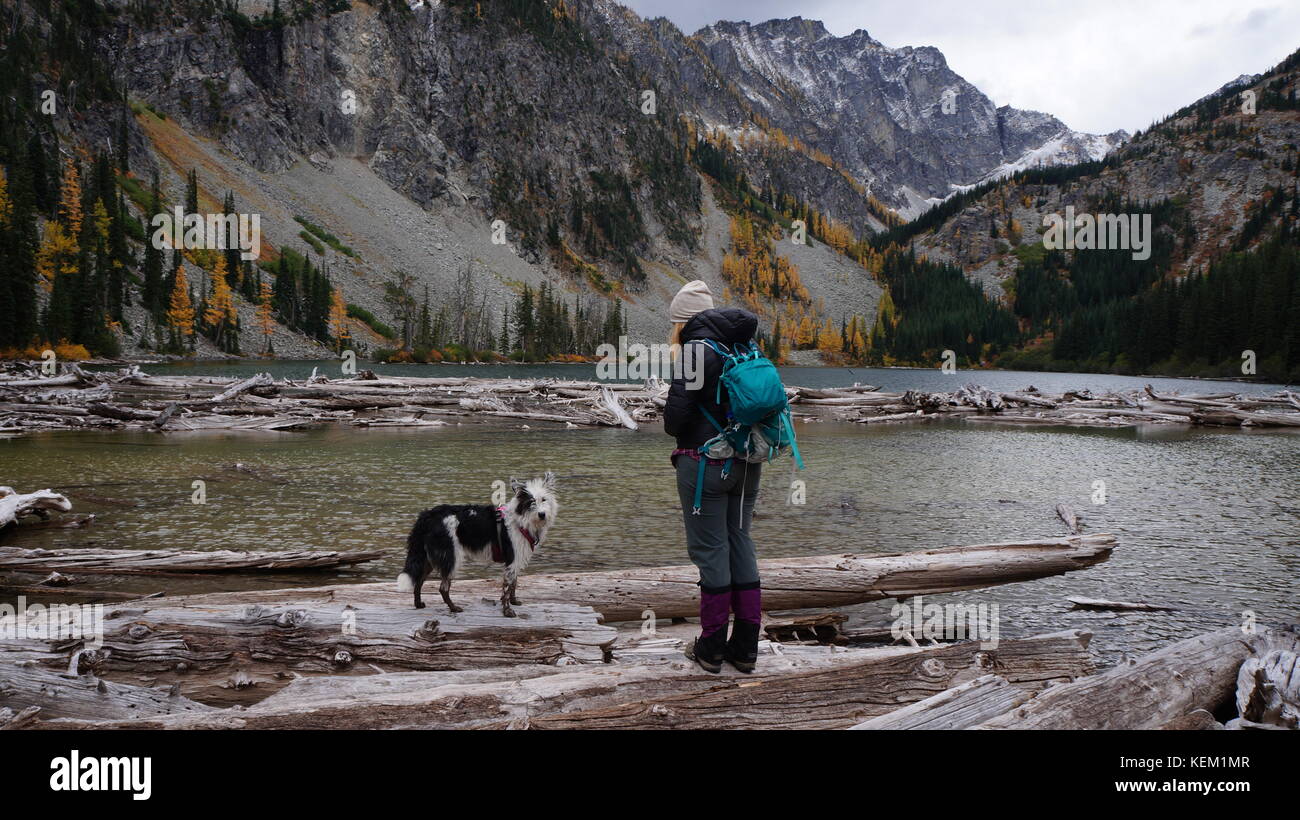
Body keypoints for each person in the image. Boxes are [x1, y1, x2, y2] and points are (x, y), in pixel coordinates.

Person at [662, 280, 763, 674]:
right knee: (740, 542)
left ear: (682, 321)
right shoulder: (745, 345)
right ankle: (746, 648)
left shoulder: (694, 351)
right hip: (749, 462)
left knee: (710, 551)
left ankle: (711, 648)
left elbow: (674, 423)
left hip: (703, 464)